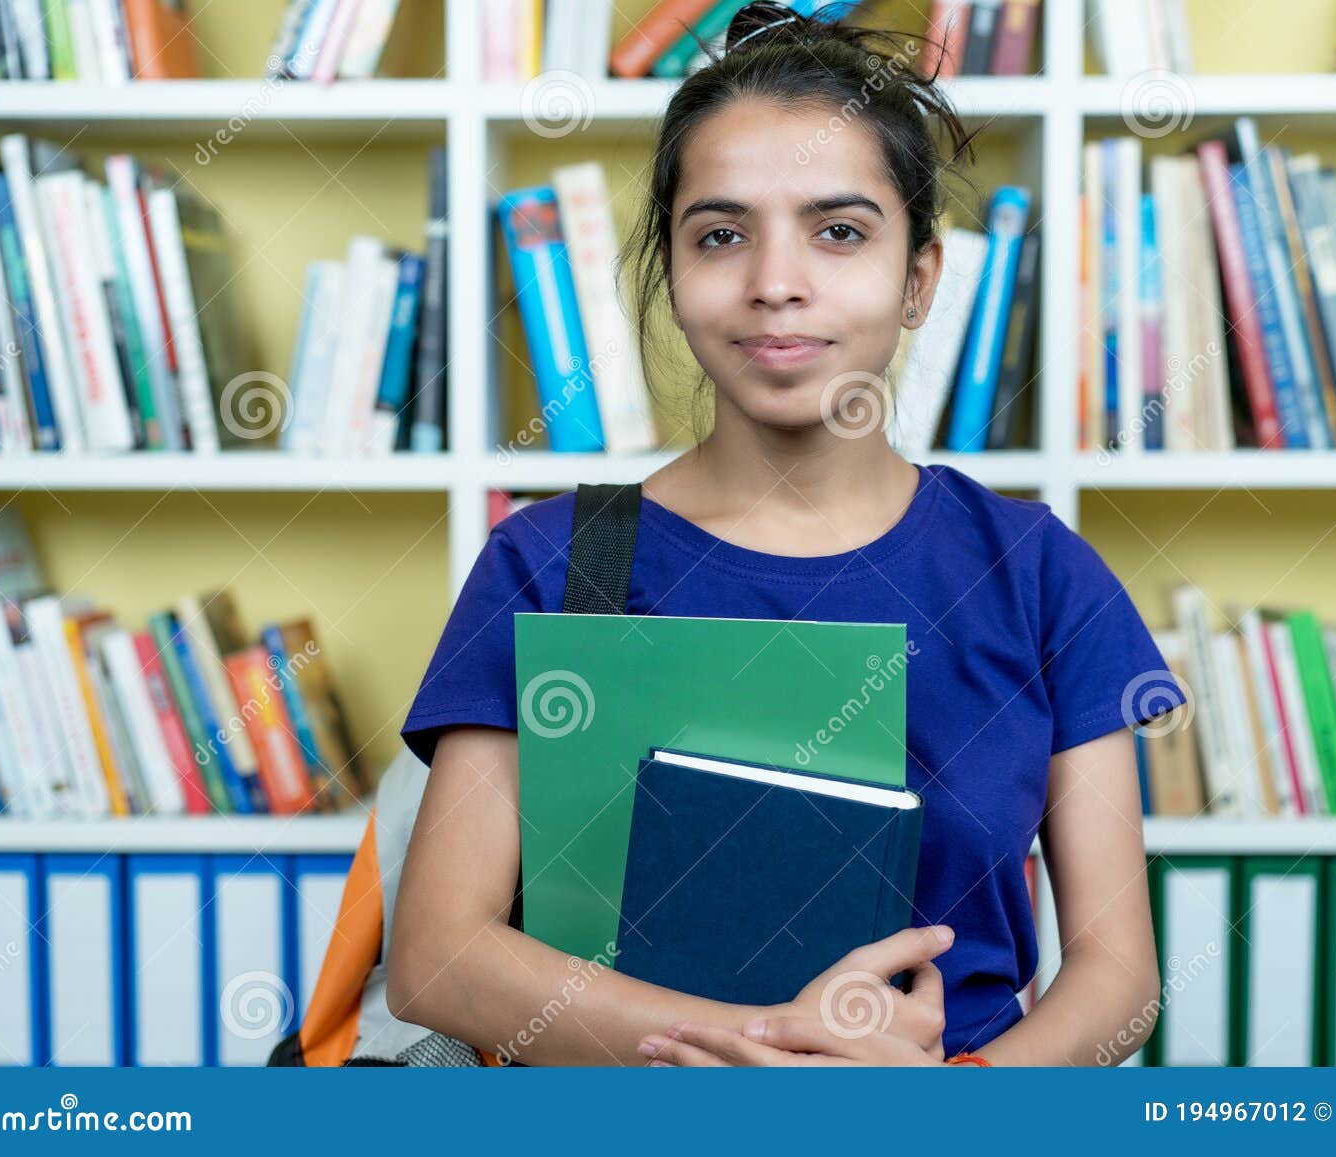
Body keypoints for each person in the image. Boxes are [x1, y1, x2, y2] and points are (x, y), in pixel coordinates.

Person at [387, 1, 1185, 1067]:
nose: (775, 281)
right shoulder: (550, 561)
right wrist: (770, 1049)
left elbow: (1119, 977)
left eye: (839, 230)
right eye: (721, 234)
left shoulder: (1037, 574)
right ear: (671, 273)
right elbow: (439, 955)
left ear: (918, 281)